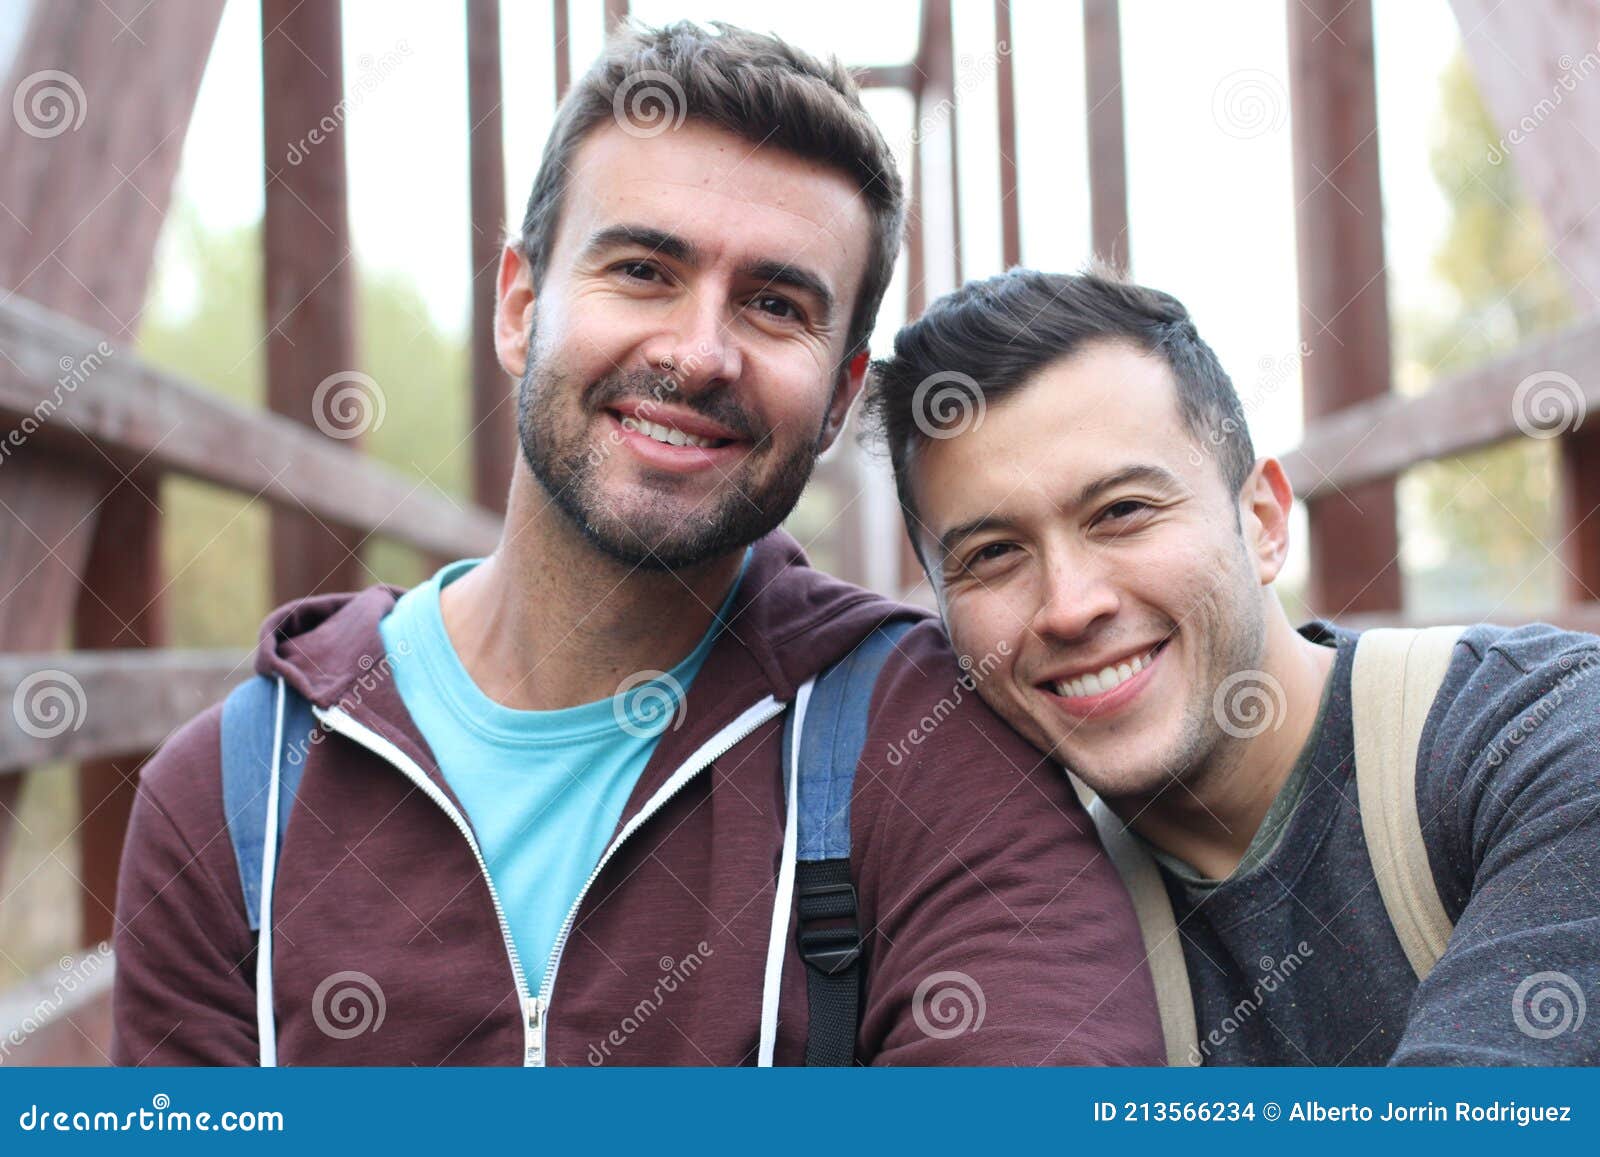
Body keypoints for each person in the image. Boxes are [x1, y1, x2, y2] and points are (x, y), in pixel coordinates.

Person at [110, 24, 1162, 1067]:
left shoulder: (927, 741)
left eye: (774, 304)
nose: (698, 354)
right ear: (521, 306)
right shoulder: (231, 795)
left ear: (843, 398)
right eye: (645, 270)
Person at [863, 266, 1600, 1065]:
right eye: (994, 554)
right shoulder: (990, 901)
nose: (1070, 606)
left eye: (1122, 512)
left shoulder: (1544, 739)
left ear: (1263, 521)